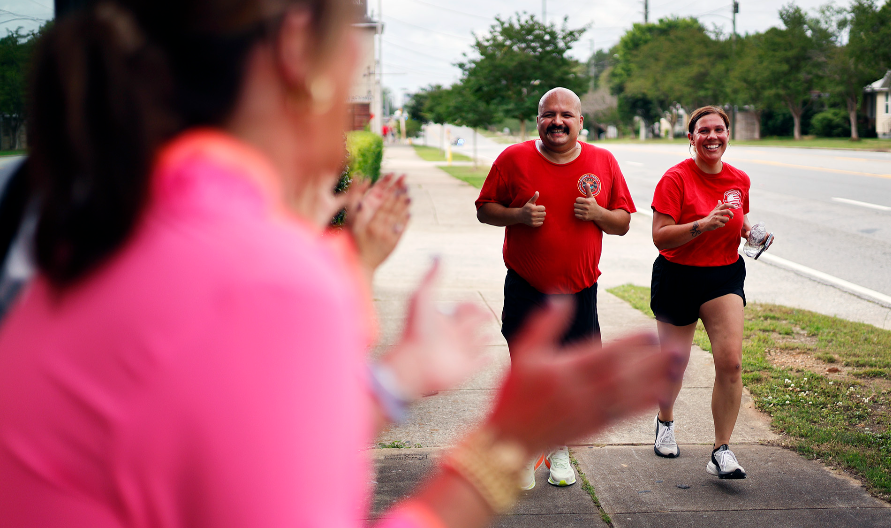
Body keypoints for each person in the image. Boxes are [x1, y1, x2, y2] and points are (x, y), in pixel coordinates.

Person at [0, 2, 680, 527]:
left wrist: (392, 379)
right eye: (353, 46)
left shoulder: (104, 215)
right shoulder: (266, 276)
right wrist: (504, 446)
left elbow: (241, 442)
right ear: (299, 53)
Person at [475, 87, 637, 490]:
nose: (557, 121)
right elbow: (484, 209)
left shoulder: (603, 161)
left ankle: (558, 448)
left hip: (580, 291)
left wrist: (599, 213)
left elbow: (623, 222)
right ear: (538, 121)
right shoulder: (513, 158)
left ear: (580, 122)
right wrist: (518, 215)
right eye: (549, 115)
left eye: (566, 115)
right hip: (527, 287)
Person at [649, 105, 761, 479]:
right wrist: (703, 224)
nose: (712, 136)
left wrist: (752, 233)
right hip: (677, 276)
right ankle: (665, 421)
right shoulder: (675, 178)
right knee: (674, 363)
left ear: (728, 135)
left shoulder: (739, 179)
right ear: (691, 138)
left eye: (719, 130)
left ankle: (721, 450)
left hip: (723, 277)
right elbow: (660, 236)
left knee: (731, 362)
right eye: (704, 131)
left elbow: (739, 219)